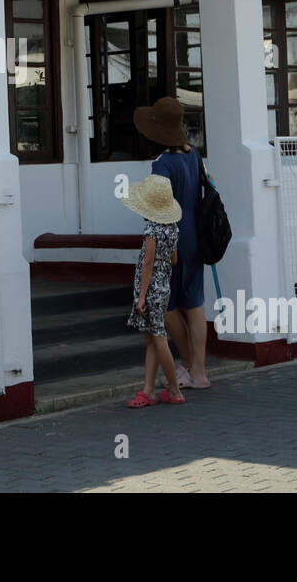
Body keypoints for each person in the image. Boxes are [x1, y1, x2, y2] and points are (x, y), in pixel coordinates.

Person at [134, 95, 211, 390]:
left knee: (166, 306)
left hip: (173, 237)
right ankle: (200, 373)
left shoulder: (162, 164)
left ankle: (188, 364)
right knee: (194, 303)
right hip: (196, 234)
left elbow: (161, 208)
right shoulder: (193, 154)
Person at [120, 175, 185, 407]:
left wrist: (142, 296)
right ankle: (148, 390)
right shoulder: (172, 229)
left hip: (151, 291)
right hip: (164, 288)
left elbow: (147, 264)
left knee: (158, 339)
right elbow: (174, 259)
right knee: (152, 338)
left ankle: (175, 390)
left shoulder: (151, 230)